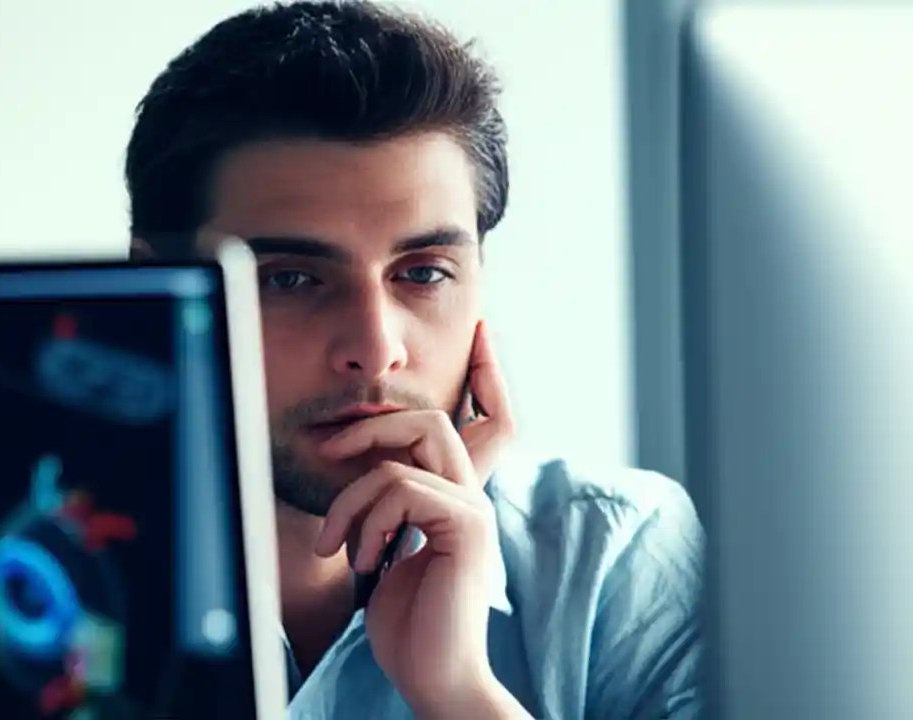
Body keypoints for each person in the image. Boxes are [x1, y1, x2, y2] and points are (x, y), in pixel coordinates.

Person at [124, 2, 703, 718]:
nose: (376, 350)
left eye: (424, 273)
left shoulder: (613, 553)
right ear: (149, 288)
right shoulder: (33, 569)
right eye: (290, 279)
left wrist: (461, 690)